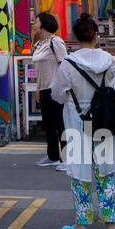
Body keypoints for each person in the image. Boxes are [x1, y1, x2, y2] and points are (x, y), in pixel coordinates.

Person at [51, 13, 115, 229]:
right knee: (105, 173)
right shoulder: (109, 60)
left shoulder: (68, 63)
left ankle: (82, 225)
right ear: (96, 35)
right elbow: (112, 86)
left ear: (75, 36)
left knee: (80, 172)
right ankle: (110, 223)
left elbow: (57, 94)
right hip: (104, 121)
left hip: (77, 121)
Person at [32, 11, 67, 168]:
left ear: (44, 25)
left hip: (56, 89)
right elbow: (39, 68)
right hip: (44, 90)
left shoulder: (56, 42)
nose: (34, 24)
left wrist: (62, 88)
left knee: (61, 124)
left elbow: (65, 66)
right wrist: (38, 88)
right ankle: (53, 156)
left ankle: (67, 159)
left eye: (36, 22)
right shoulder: (39, 44)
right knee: (49, 124)